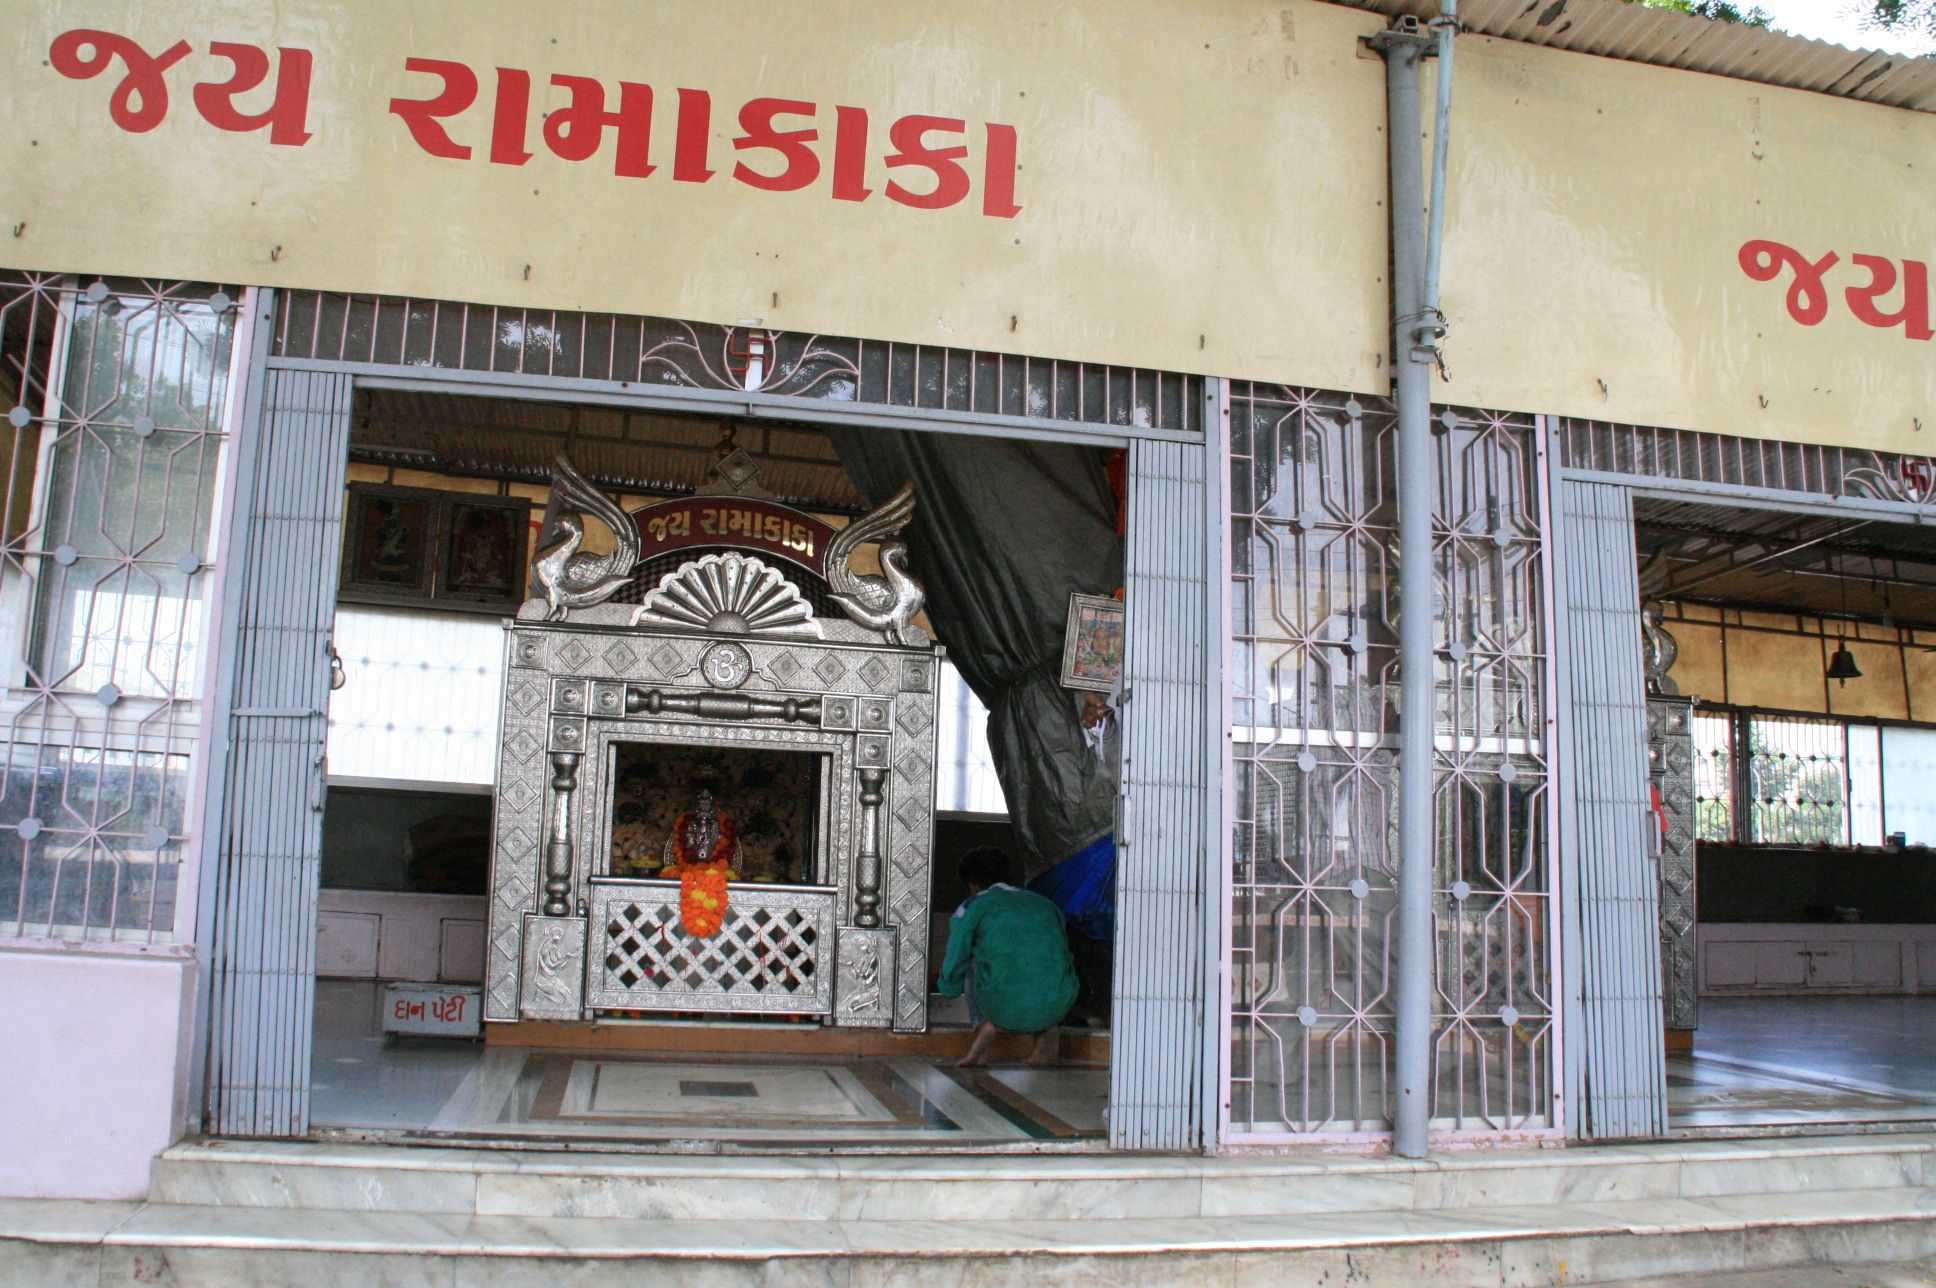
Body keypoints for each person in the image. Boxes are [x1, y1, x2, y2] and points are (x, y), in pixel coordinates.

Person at [934, 846, 1079, 1068]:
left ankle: (984, 1025)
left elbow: (957, 952)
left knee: (975, 957)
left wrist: (949, 987)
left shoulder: (973, 905)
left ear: (972, 886)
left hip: (1000, 1002)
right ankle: (1048, 1029)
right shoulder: (1044, 903)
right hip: (1059, 999)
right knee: (1036, 958)